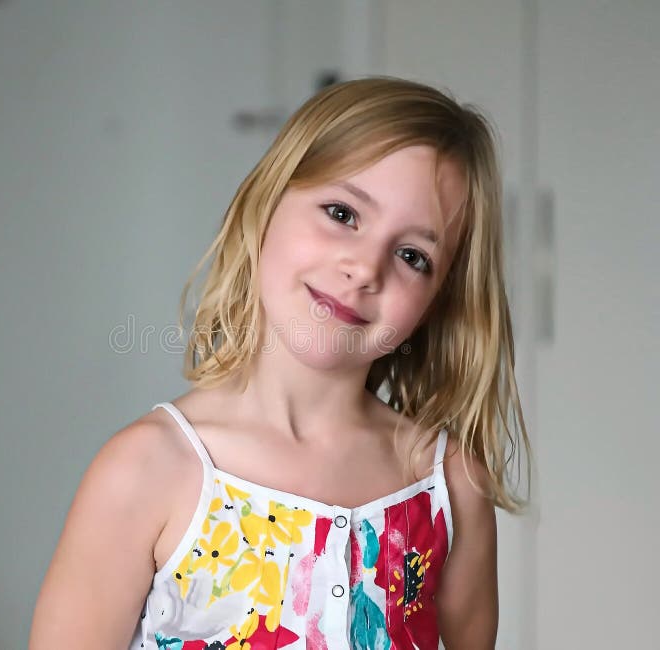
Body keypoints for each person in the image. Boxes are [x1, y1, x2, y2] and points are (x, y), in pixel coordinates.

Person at [28, 76, 530, 650]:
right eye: (342, 213)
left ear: (437, 300)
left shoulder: (448, 485)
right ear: (265, 203)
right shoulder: (146, 471)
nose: (365, 268)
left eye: (413, 255)